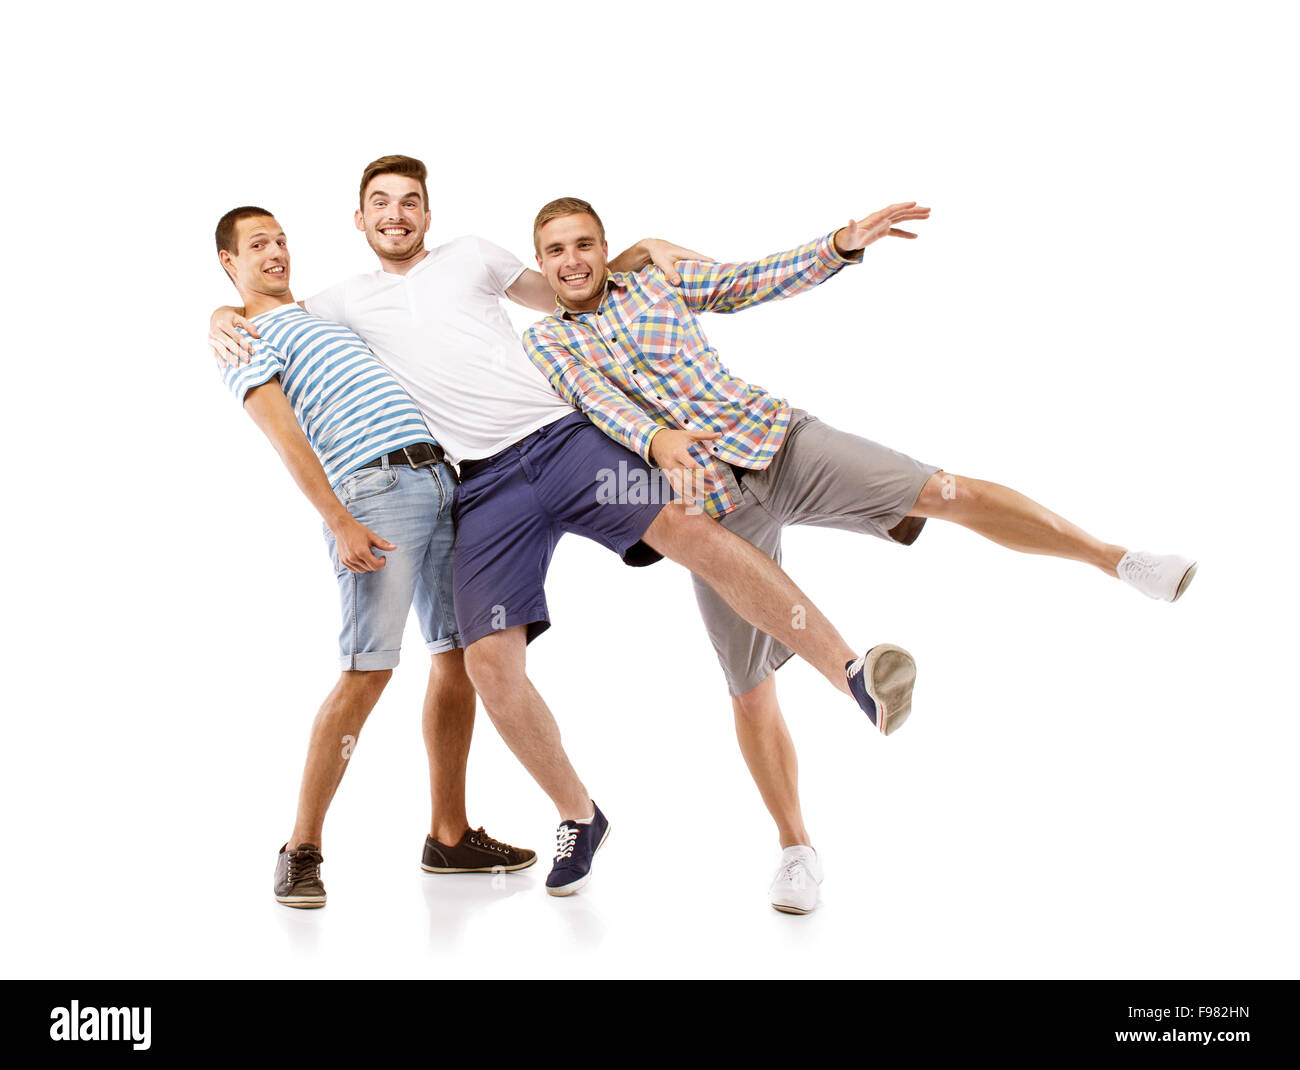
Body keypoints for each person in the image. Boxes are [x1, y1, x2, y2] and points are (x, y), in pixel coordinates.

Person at [210, 157, 915, 901]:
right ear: (359, 220)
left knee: (696, 534)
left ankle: (851, 673)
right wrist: (220, 313)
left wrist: (640, 251)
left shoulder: (473, 255)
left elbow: (574, 285)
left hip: (566, 443)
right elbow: (267, 312)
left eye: (410, 201)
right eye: (380, 203)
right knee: (487, 663)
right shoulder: (340, 302)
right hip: (481, 489)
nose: (396, 214)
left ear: (428, 213)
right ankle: (580, 816)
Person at [523, 196, 1198, 914]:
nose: (573, 260)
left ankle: (1118, 560)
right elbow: (597, 402)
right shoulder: (548, 343)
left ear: (605, 247)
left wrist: (839, 245)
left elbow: (747, 281)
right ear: (541, 263)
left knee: (945, 490)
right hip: (710, 508)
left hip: (778, 441)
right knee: (749, 690)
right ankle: (796, 850)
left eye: (585, 244)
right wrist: (658, 441)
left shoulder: (658, 279)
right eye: (556, 250)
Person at [214, 206, 535, 909]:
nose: (275, 252)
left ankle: (449, 835)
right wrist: (339, 520)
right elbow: (285, 437)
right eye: (257, 244)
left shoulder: (317, 316)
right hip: (374, 495)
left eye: (280, 240)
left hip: (443, 481)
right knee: (367, 671)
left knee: (458, 657)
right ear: (229, 262)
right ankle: (301, 849)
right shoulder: (244, 338)